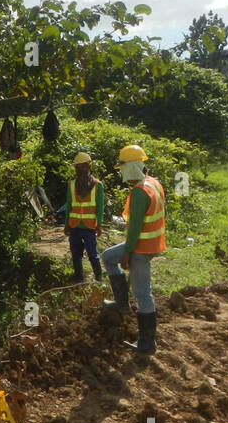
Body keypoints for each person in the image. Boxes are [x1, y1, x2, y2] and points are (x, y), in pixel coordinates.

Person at [102, 144, 166, 353]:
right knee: (108, 256)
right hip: (151, 243)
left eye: (122, 168)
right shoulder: (154, 183)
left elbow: (135, 228)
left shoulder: (140, 192)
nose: (121, 174)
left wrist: (128, 253)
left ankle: (147, 343)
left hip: (141, 247)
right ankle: (121, 302)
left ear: (130, 167)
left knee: (142, 293)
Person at [66, 152, 103, 284]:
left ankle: (99, 278)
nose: (82, 169)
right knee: (76, 254)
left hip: (89, 226)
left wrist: (99, 225)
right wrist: (66, 225)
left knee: (93, 254)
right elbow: (69, 206)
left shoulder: (98, 185)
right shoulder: (71, 185)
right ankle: (79, 278)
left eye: (84, 166)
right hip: (74, 226)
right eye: (79, 166)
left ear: (89, 166)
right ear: (76, 168)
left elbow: (100, 208)